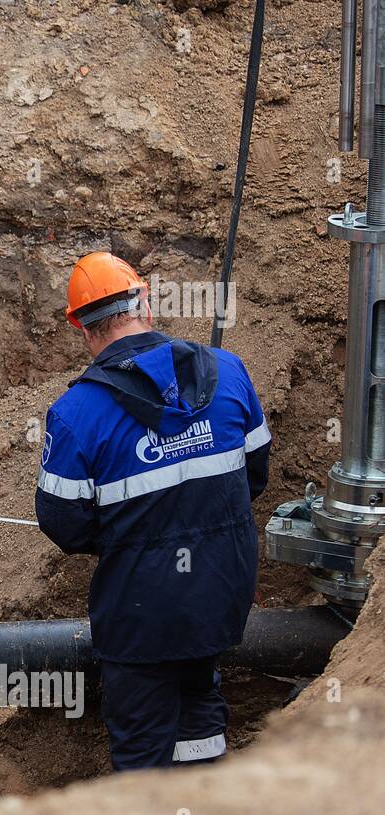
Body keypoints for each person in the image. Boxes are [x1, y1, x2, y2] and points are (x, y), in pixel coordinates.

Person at [35, 252, 271, 770]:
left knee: (143, 746)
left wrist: (136, 528)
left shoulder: (75, 414)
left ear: (80, 326)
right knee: (200, 711)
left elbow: (65, 525)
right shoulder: (228, 372)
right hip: (220, 596)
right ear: (143, 299)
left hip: (143, 616)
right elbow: (254, 477)